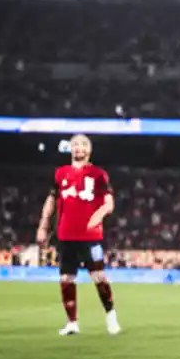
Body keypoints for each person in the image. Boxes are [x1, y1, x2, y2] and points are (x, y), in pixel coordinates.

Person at [35, 134, 120, 336]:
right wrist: (43, 226)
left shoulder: (99, 174)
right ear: (70, 149)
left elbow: (109, 203)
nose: (78, 148)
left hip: (91, 237)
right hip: (66, 235)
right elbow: (51, 201)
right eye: (75, 145)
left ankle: (111, 317)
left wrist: (97, 216)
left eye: (83, 144)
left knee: (99, 277)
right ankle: (72, 322)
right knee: (66, 278)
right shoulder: (60, 173)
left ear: (89, 150)